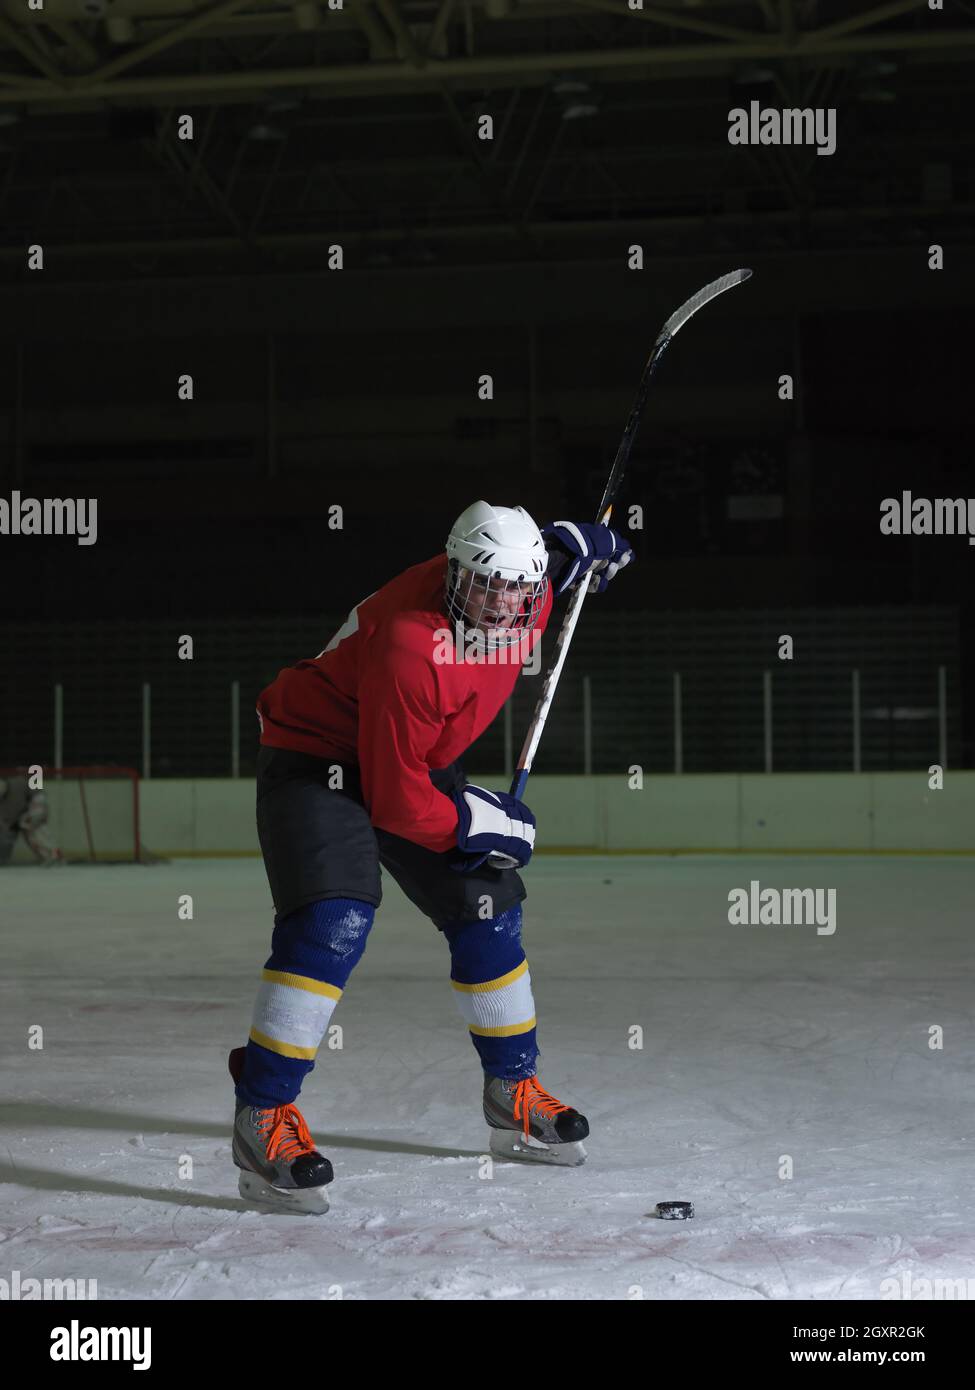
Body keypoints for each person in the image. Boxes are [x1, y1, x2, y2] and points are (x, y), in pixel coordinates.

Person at [228, 501, 634, 1212]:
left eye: (521, 588)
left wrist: (587, 550)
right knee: (333, 921)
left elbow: (559, 554)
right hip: (319, 759)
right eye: (486, 586)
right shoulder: (414, 643)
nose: (502, 605)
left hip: (408, 760)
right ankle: (262, 1114)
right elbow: (395, 803)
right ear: (455, 574)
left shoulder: (530, 590)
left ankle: (512, 1089)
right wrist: (481, 821)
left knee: (489, 910)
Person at [0, 773, 65, 867]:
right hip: (33, 807)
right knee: (34, 832)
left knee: (32, 829)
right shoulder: (4, 802)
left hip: (36, 802)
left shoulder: (16, 784)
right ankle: (51, 855)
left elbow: (18, 811)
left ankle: (52, 854)